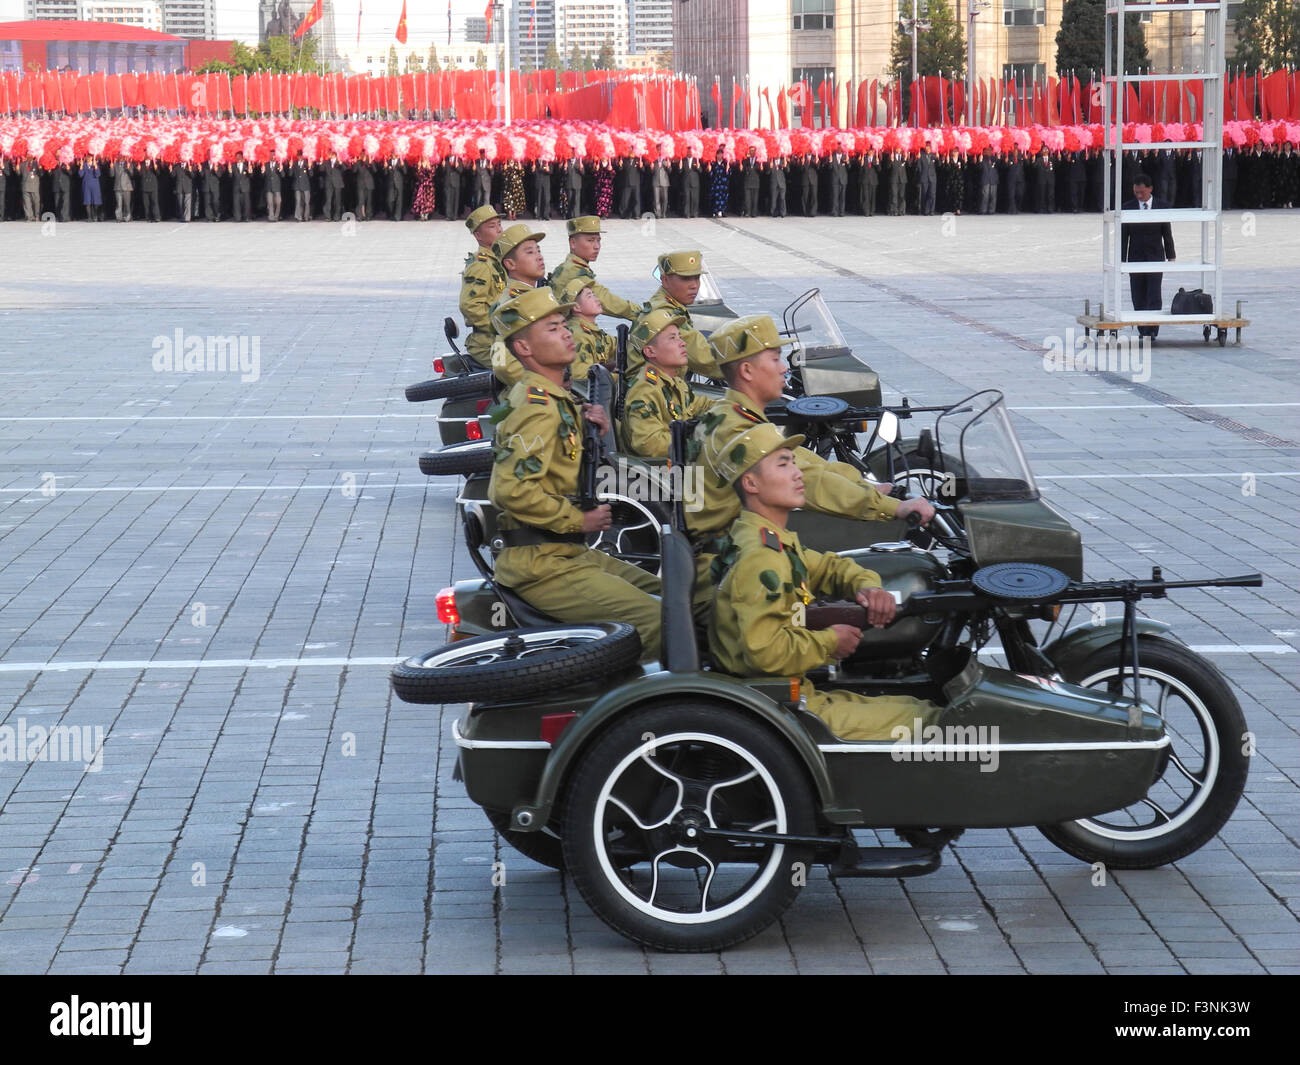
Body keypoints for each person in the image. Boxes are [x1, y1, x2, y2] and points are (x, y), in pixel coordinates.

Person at [708, 424, 943, 741]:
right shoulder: (761, 557)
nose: (797, 473)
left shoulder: (767, 538)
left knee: (915, 700)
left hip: (788, 692)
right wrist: (832, 642)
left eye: (793, 462)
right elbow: (765, 652)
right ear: (750, 483)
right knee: (934, 720)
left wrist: (867, 586)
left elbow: (828, 566)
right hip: (781, 706)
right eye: (783, 465)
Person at [686, 315, 933, 605]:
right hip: (730, 572)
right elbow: (810, 480)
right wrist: (894, 507)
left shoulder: (730, 414)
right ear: (747, 370)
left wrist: (864, 485)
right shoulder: (735, 428)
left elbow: (802, 459)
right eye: (775, 358)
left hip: (733, 552)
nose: (784, 367)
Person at [487, 287, 663, 660]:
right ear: (524, 349)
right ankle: (637, 712)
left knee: (683, 595)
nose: (567, 333)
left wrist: (592, 433)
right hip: (541, 563)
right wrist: (578, 519)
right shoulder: (537, 407)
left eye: (563, 325)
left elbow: (558, 467)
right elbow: (511, 490)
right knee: (657, 621)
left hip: (564, 552)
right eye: (552, 329)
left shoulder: (555, 399)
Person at [619, 308, 711, 459]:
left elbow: (699, 405)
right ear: (650, 352)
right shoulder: (646, 389)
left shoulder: (674, 381)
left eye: (680, 337)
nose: (682, 343)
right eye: (672, 338)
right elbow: (648, 444)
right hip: (662, 473)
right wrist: (698, 444)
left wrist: (730, 409)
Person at [630, 250, 721, 380]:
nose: (694, 286)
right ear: (665, 280)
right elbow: (704, 358)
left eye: (697, 278)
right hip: (654, 390)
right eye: (686, 279)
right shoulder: (664, 313)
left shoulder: (670, 304)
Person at [547, 216, 641, 322]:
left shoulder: (568, 266)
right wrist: (641, 313)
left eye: (598, 241)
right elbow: (606, 301)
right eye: (590, 240)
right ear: (573, 243)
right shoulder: (574, 272)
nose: (596, 246)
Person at [1121, 173, 1176, 339]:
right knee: (1138, 294)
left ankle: (1152, 329)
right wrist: (1122, 259)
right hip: (1135, 256)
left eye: (1142, 193)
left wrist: (1171, 255)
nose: (1139, 196)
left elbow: (1167, 232)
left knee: (1153, 294)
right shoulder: (1128, 207)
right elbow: (1124, 236)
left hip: (1155, 255)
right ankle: (1142, 329)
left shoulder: (1162, 206)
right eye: (1136, 192)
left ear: (1150, 189)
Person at [459, 204, 507, 369]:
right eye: (492, 226)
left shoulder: (498, 261)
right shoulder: (481, 265)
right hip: (489, 343)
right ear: (478, 235)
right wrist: (500, 326)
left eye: (499, 224)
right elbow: (469, 306)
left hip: (502, 339)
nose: (499, 230)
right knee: (512, 370)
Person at [560, 278, 616, 381]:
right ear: (576, 307)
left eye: (594, 295)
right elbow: (582, 378)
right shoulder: (578, 335)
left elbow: (614, 344)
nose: (596, 299)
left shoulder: (591, 330)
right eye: (589, 296)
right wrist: (619, 377)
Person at [321, 152, 345, 221]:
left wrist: (340, 163)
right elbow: (321, 169)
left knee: (337, 200)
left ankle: (337, 216)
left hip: (338, 183)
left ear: (335, 156)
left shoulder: (339, 162)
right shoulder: (326, 162)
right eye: (330, 155)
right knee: (328, 200)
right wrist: (321, 162)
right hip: (329, 184)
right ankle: (328, 216)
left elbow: (345, 169)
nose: (331, 156)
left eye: (332, 155)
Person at [80, 157, 103, 221]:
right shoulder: (84, 165)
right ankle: (89, 217)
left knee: (96, 201)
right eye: (88, 157)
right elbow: (80, 175)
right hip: (86, 185)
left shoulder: (95, 165)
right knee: (87, 202)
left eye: (90, 157)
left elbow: (98, 175)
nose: (89, 158)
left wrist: (95, 167)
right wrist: (81, 166)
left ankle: (95, 215)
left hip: (95, 185)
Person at [708, 148, 729, 218]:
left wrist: (728, 170)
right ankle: (714, 211)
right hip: (715, 184)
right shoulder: (713, 163)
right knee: (714, 197)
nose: (720, 156)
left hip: (723, 184)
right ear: (716, 155)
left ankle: (722, 211)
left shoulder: (725, 163)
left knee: (723, 197)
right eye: (718, 154)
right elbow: (710, 175)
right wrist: (709, 170)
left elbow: (729, 174)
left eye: (721, 154)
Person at [353, 154, 375, 220]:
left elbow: (375, 170)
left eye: (365, 156)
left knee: (369, 201)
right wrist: (355, 163)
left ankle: (368, 215)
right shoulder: (358, 162)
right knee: (360, 200)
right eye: (363, 156)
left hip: (369, 184)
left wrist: (371, 163)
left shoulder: (370, 162)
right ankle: (360, 215)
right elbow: (354, 171)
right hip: (360, 184)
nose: (364, 157)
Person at [229, 154, 251, 222]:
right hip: (236, 187)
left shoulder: (247, 165)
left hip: (245, 187)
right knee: (236, 203)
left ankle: (246, 217)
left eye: (239, 157)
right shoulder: (233, 165)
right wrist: (229, 171)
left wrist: (250, 171)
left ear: (242, 157)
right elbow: (230, 176)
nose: (238, 158)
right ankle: (238, 217)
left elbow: (251, 175)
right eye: (237, 157)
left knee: (246, 203)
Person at [441, 153, 463, 220]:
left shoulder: (458, 159)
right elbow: (442, 172)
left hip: (455, 182)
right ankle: (448, 215)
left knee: (455, 199)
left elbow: (461, 170)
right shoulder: (445, 159)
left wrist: (457, 167)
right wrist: (443, 166)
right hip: (447, 182)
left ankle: (454, 215)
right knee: (448, 199)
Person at [916, 146, 936, 216]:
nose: (928, 149)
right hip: (924, 178)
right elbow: (918, 167)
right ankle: (925, 210)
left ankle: (932, 210)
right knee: (924, 194)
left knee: (932, 194)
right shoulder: (921, 155)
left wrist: (940, 158)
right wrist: (918, 159)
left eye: (929, 148)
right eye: (926, 148)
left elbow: (939, 165)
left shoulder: (934, 155)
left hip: (932, 178)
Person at [291, 154, 312, 221]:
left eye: (301, 156)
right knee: (298, 201)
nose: (300, 157)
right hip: (297, 185)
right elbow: (290, 174)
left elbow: (311, 175)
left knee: (306, 202)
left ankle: (306, 216)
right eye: (298, 156)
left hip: (306, 186)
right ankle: (298, 217)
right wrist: (290, 167)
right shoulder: (294, 163)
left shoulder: (307, 163)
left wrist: (309, 167)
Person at [262, 157, 283, 221]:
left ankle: (276, 216)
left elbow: (283, 175)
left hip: (277, 187)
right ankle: (271, 217)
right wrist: (262, 171)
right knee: (270, 202)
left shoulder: (278, 164)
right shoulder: (266, 164)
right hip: (268, 187)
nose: (272, 157)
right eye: (271, 156)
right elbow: (262, 176)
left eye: (274, 156)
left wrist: (281, 170)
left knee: (278, 202)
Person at [741, 151, 761, 217]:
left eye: (753, 150)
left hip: (755, 182)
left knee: (755, 199)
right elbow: (743, 169)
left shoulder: (759, 160)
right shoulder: (745, 160)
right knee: (747, 199)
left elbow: (760, 170)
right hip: (747, 181)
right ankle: (748, 212)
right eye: (751, 150)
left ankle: (754, 213)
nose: (752, 152)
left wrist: (753, 168)